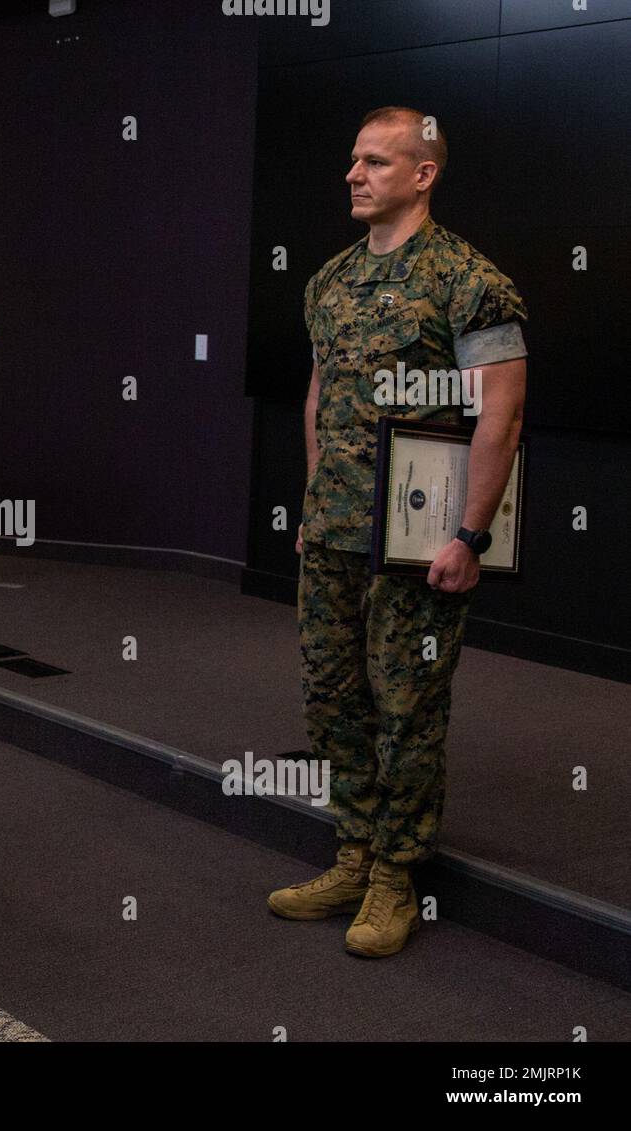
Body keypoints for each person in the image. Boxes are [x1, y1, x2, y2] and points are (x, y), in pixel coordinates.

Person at [268, 107, 528, 957]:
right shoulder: (329, 281)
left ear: (423, 173)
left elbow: (502, 412)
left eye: (375, 162)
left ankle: (395, 877)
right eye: (352, 160)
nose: (353, 173)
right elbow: (316, 400)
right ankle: (352, 851)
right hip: (335, 530)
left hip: (416, 543)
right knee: (333, 697)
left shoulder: (470, 280)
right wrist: (311, 507)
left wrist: (470, 535)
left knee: (406, 706)